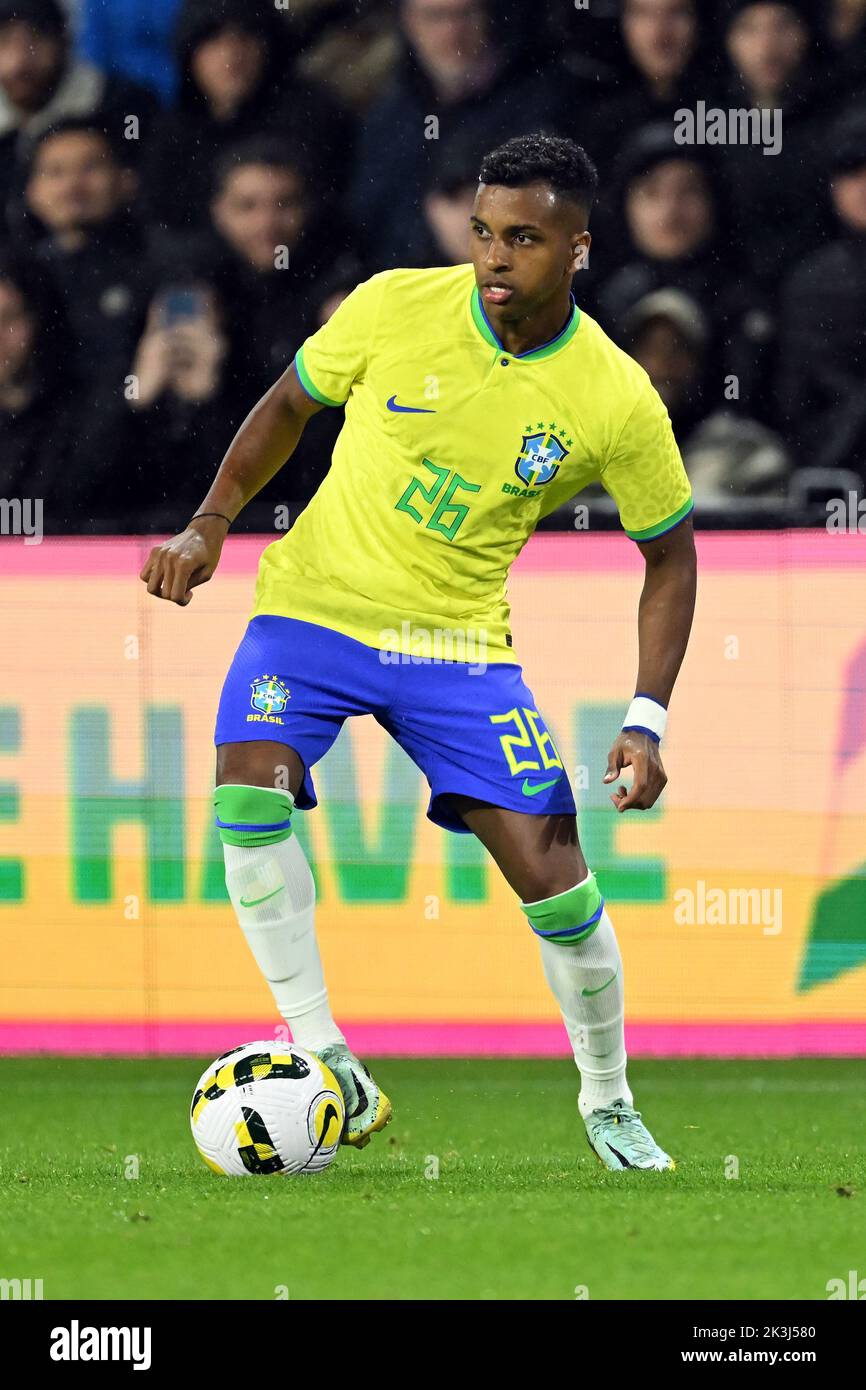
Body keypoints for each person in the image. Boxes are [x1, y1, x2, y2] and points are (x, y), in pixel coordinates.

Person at [140, 132, 697, 1172]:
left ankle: (609, 1101)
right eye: (483, 231)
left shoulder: (613, 397)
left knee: (558, 884)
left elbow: (669, 557)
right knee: (245, 800)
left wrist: (644, 719)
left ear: (578, 248)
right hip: (311, 611)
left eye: (523, 239)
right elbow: (286, 405)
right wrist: (209, 523)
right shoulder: (393, 303)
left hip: (456, 645)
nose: (492, 257)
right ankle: (323, 1054)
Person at [0, 0, 157, 236]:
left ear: (65, 40)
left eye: (35, 41)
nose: (19, 62)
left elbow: (136, 165)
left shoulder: (127, 107)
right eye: (4, 43)